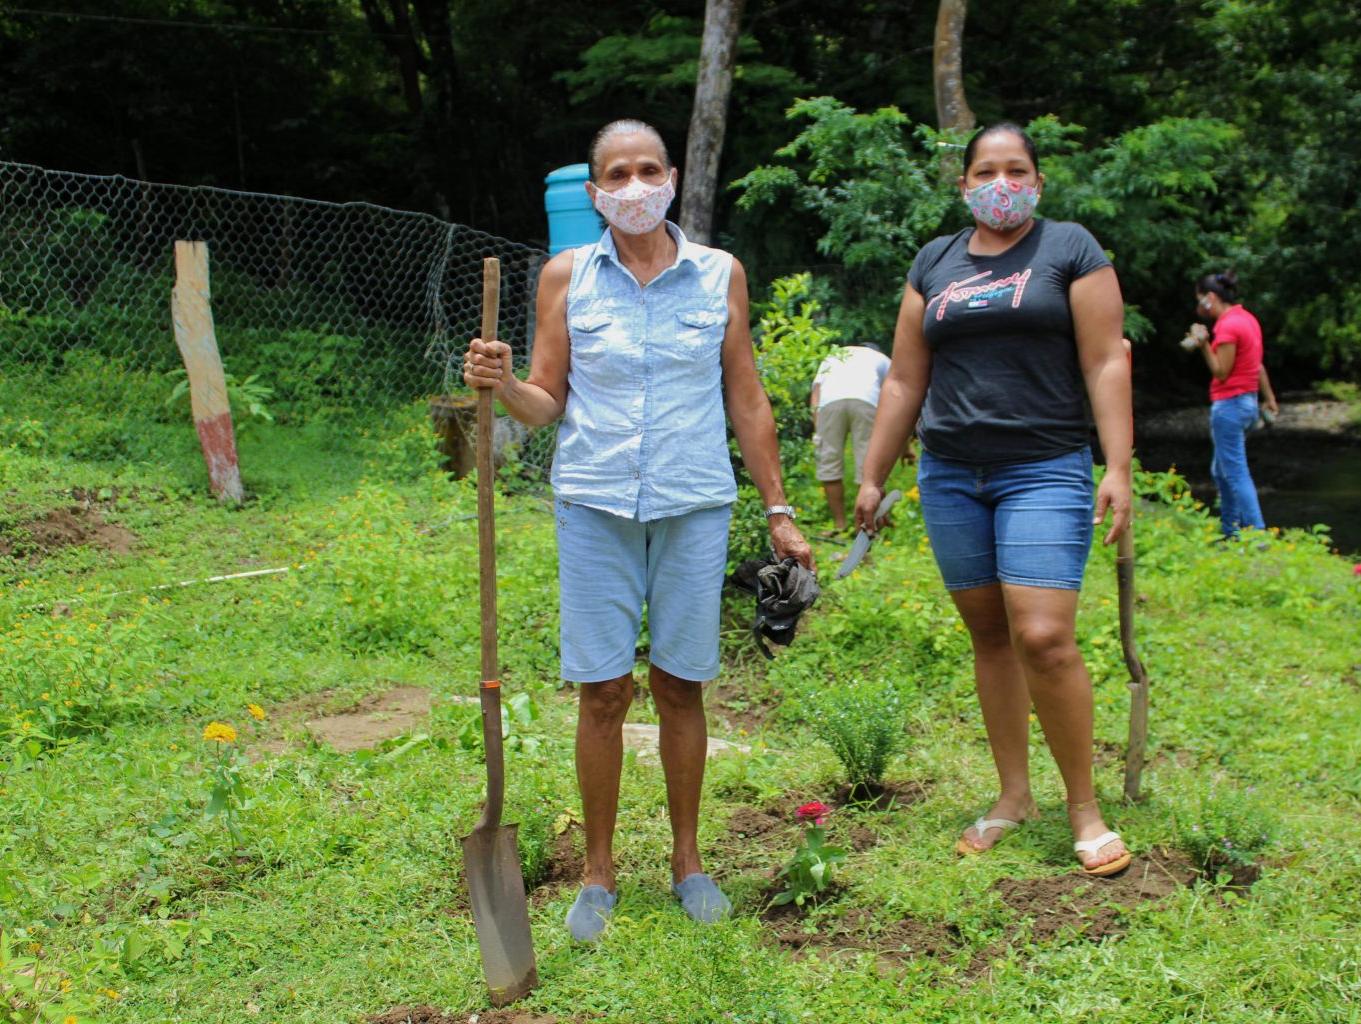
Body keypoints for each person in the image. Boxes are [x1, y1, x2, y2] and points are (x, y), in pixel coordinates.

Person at [463, 119, 814, 942]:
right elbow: (547, 401)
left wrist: (779, 507)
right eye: (615, 175)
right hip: (594, 505)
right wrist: (505, 382)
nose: (632, 186)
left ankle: (688, 863)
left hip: (693, 504)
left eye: (646, 170)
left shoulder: (718, 274)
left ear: (671, 179)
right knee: (603, 690)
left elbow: (748, 397)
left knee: (682, 683)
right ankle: (598, 874)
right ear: (593, 194)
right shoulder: (565, 278)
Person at [853, 122, 1133, 877]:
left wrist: (1117, 466)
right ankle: (1014, 796)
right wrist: (874, 472)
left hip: (1044, 467)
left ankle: (1084, 806)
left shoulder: (1071, 249)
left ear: (1037, 182)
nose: (1001, 182)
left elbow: (1106, 359)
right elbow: (906, 378)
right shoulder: (934, 262)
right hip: (950, 475)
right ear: (963, 183)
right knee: (990, 635)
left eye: (1017, 170)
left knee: (1043, 635)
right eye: (987, 169)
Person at [1181, 270, 1277, 538]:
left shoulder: (1227, 325)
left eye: (1201, 301)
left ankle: (1256, 536)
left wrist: (1203, 343)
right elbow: (1256, 364)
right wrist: (1269, 399)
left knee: (1235, 472)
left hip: (1230, 407)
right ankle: (1231, 533)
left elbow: (1221, 371)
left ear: (1211, 298)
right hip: (1248, 404)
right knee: (1221, 470)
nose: (1200, 307)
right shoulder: (1248, 320)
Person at [809, 341, 892, 532]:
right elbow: (896, 393)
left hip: (829, 403)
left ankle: (840, 526)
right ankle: (870, 526)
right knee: (869, 469)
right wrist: (905, 447)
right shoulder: (881, 359)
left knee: (829, 466)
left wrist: (819, 431)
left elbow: (816, 394)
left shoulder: (833, 355)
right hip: (867, 401)